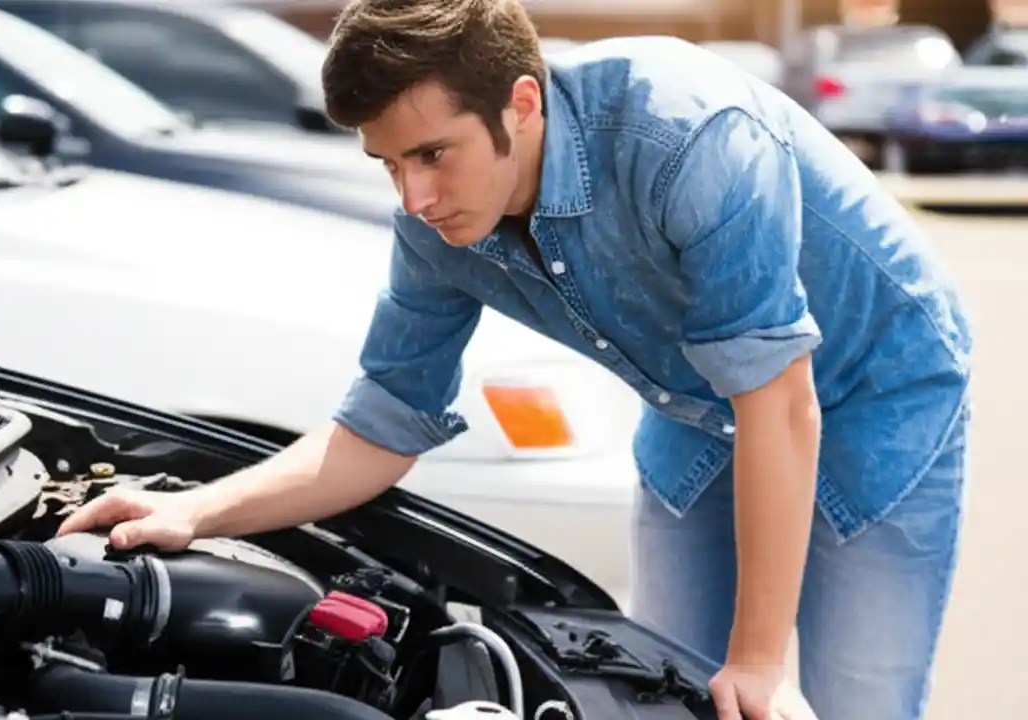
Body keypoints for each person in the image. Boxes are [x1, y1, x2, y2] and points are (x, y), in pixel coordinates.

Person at [56, 1, 973, 718]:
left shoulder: (687, 136)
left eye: (431, 154)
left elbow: (780, 402)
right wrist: (195, 510)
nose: (413, 196)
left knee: (837, 702)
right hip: (695, 406)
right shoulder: (433, 226)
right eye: (387, 164)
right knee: (656, 691)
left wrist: (762, 661)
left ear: (520, 103)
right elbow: (383, 424)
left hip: (875, 395)